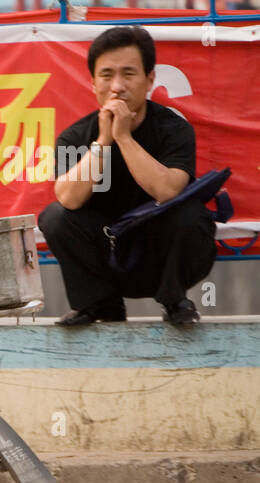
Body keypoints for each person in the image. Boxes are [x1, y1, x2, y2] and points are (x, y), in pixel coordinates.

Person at [40, 25, 214, 326]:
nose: (117, 86)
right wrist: (104, 141)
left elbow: (167, 190)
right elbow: (68, 198)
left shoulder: (174, 129)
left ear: (149, 81)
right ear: (93, 83)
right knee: (54, 217)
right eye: (106, 75)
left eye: (128, 74)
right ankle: (100, 306)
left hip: (159, 254)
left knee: (192, 215)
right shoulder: (74, 137)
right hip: (106, 255)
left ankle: (175, 301)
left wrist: (124, 138)